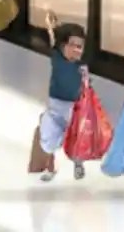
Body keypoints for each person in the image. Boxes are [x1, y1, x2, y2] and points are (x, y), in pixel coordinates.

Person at [31, 11, 87, 182]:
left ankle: (78, 163)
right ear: (63, 46)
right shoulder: (56, 57)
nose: (77, 50)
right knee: (49, 137)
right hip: (55, 106)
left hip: (74, 109)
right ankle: (50, 166)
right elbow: (53, 36)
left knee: (75, 140)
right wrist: (50, 25)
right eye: (72, 45)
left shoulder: (82, 66)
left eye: (80, 46)